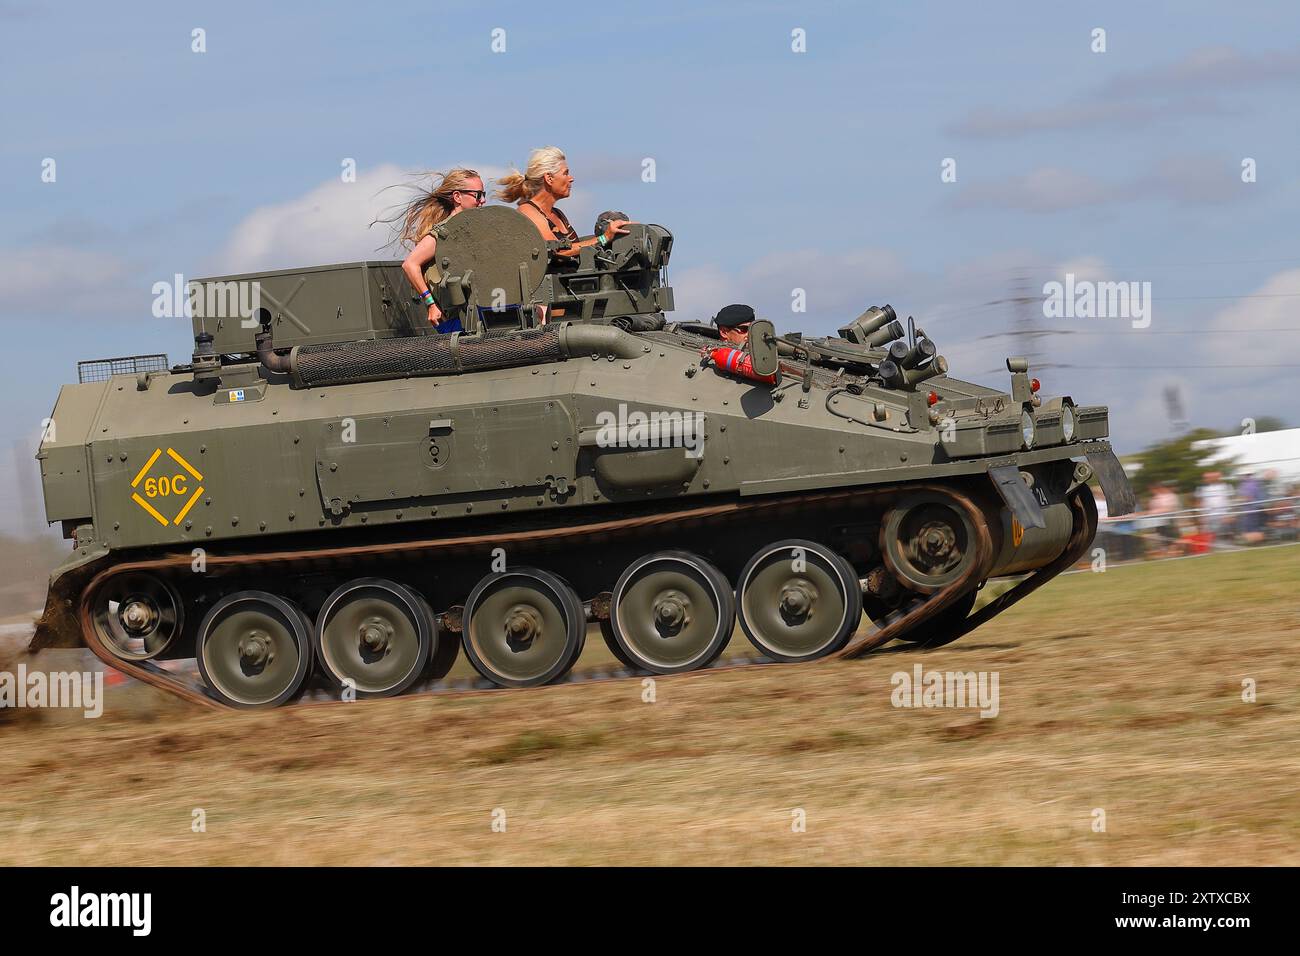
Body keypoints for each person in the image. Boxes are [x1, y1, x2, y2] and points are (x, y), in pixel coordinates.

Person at [391, 169, 487, 331]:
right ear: (457, 197)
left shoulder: (474, 231)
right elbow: (410, 264)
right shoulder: (443, 233)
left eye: (483, 194)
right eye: (477, 195)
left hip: (478, 312)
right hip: (457, 320)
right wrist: (431, 304)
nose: (483, 200)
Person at [496, 147, 631, 255]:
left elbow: (575, 247)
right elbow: (560, 252)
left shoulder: (557, 214)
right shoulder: (529, 212)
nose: (571, 178)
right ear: (549, 178)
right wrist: (604, 238)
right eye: (565, 173)